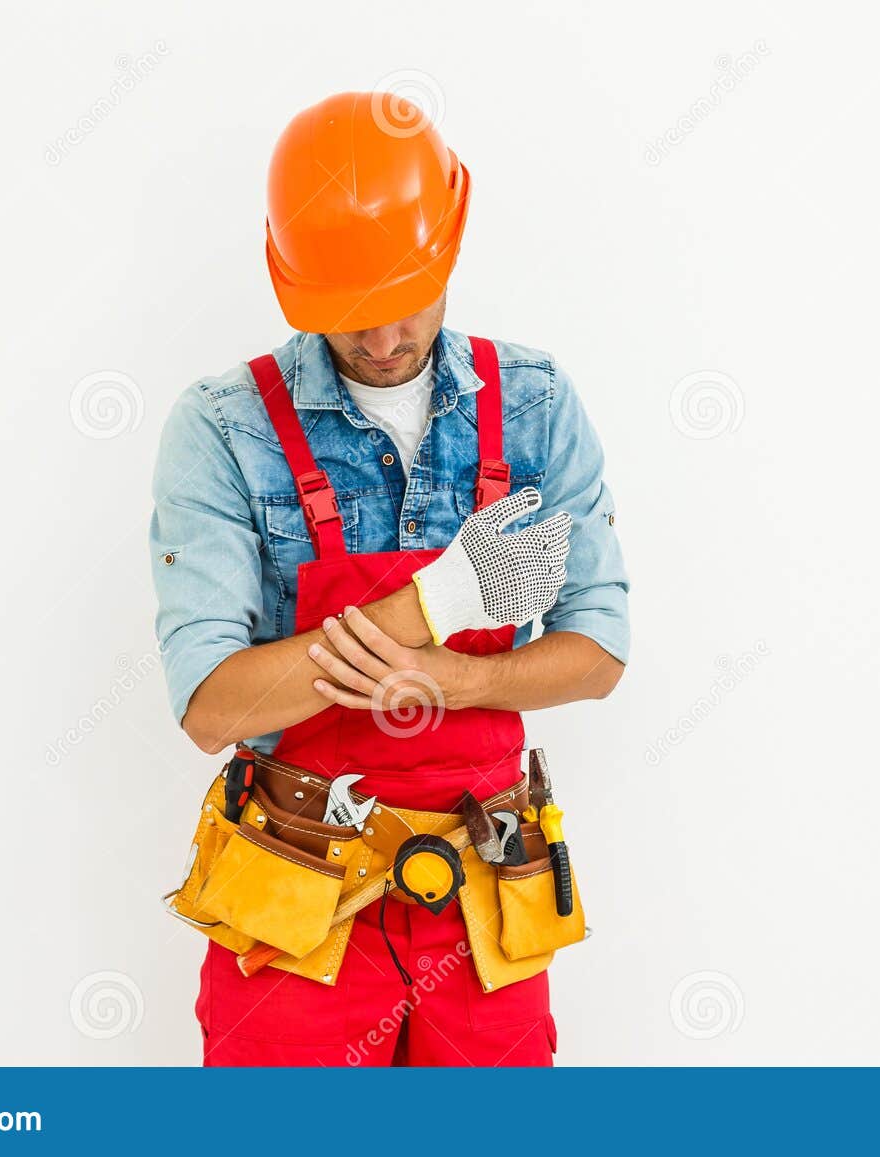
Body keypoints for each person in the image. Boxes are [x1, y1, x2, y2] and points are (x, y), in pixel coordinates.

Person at [149, 91, 629, 1066]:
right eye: (347, 316)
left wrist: (466, 680)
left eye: (400, 304)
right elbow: (210, 708)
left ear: (448, 246)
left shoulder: (532, 404)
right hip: (294, 902)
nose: (378, 341)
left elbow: (599, 652)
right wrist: (438, 604)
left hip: (485, 899)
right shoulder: (223, 427)